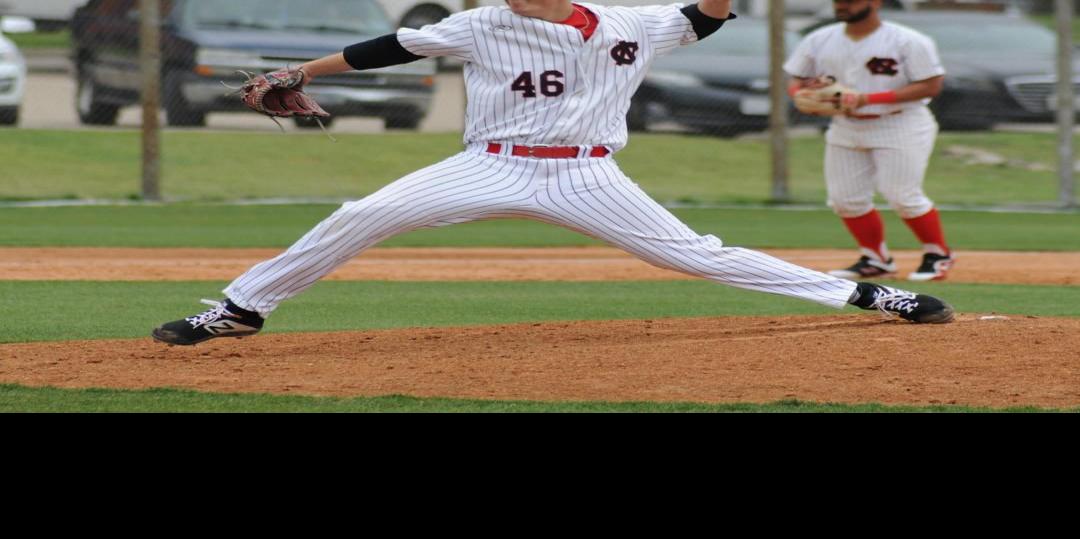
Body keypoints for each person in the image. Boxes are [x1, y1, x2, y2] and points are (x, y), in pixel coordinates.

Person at [152, 0, 954, 347]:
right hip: (488, 164)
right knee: (363, 213)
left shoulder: (632, 21)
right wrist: (303, 71)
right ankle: (241, 309)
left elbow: (705, 17)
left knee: (698, 254)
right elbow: (390, 46)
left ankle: (868, 295)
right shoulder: (482, 22)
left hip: (588, 176)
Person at [785, 0, 954, 282]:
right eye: (838, 1)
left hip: (900, 123)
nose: (842, 5)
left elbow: (931, 85)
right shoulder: (819, 39)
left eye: (850, 1)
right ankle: (876, 259)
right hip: (845, 125)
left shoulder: (908, 40)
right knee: (844, 199)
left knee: (902, 195)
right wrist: (800, 94)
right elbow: (797, 80)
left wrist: (868, 99)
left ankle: (938, 254)